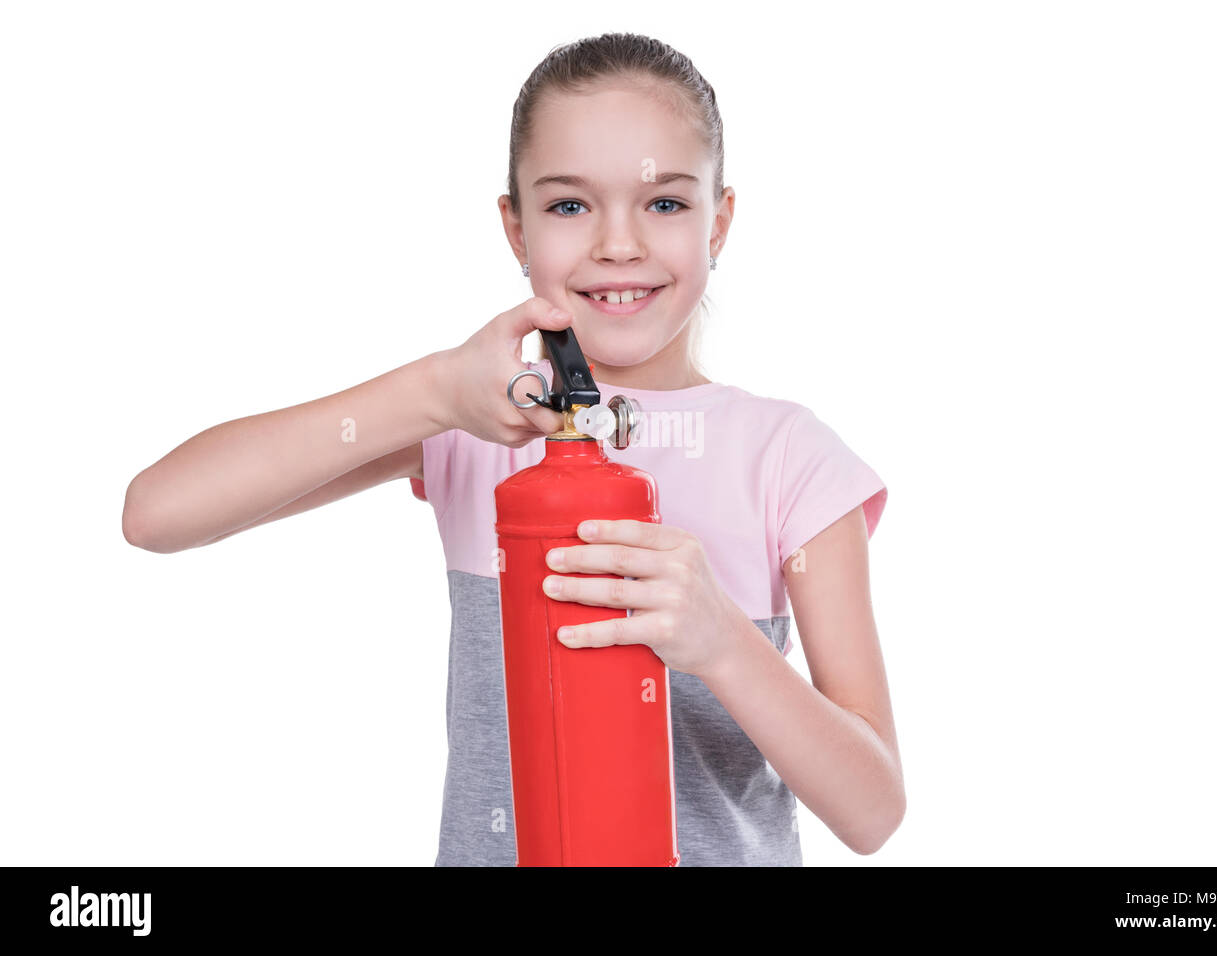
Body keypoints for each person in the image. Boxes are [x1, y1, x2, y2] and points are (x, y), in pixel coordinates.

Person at [123, 32, 905, 866]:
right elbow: (158, 514)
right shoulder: (481, 423)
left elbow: (873, 812)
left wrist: (721, 639)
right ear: (515, 226)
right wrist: (432, 394)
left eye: (665, 203)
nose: (618, 244)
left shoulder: (787, 457)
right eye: (569, 206)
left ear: (720, 221)